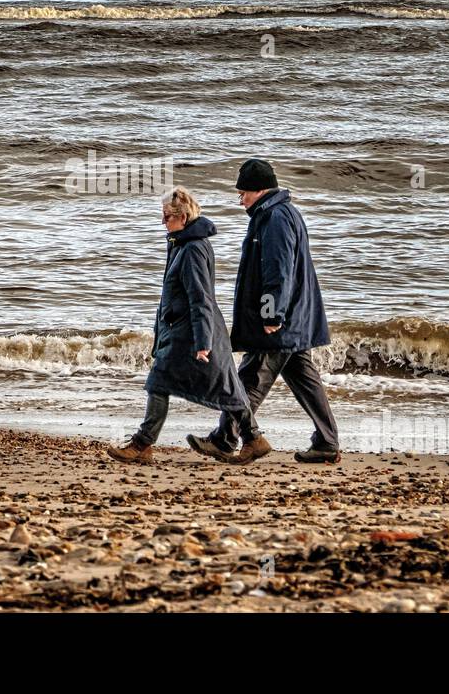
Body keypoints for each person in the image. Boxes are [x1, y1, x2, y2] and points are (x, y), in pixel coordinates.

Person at [187, 158, 341, 464]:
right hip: (295, 319)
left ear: (259, 190)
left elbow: (278, 271)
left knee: (251, 379)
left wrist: (272, 315)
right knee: (305, 382)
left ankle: (226, 439)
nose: (240, 198)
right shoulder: (276, 214)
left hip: (283, 321)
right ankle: (327, 441)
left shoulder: (276, 218)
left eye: (243, 192)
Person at [108, 186, 270, 465]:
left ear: (183, 217)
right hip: (182, 330)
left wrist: (203, 342)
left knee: (170, 382)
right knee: (222, 386)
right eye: (163, 216)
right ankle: (254, 438)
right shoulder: (181, 244)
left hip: (192, 333)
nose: (163, 222)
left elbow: (200, 297)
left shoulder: (192, 249)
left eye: (167, 217)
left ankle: (142, 445)